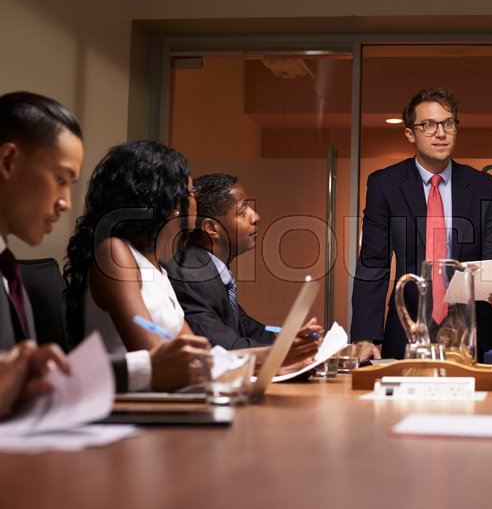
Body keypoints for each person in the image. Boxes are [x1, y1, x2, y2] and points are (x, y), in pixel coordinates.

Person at [0, 92, 204, 414]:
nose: (66, 203)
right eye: (60, 179)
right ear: (8, 162)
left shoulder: (7, 269)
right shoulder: (114, 252)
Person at [63, 144, 318, 375]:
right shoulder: (115, 253)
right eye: (190, 191)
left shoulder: (158, 268)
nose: (194, 198)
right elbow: (157, 361)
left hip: (167, 396)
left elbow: (200, 358)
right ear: (171, 202)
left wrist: (278, 358)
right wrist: (275, 356)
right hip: (132, 405)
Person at [350, 87, 492, 360]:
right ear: (410, 134)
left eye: (448, 123)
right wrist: (365, 336)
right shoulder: (385, 185)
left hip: (474, 330)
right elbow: (373, 263)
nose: (440, 133)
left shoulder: (483, 186)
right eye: (429, 125)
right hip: (408, 325)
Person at [167, 173, 321, 351]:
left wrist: (289, 338)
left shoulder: (208, 268)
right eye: (242, 212)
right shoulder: (190, 276)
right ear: (211, 228)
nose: (255, 217)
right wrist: (287, 350)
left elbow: (246, 327)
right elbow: (226, 348)